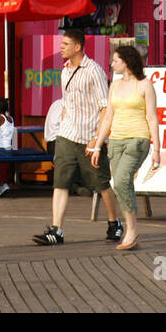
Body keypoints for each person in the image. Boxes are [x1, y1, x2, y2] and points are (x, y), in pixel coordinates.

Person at [32, 29, 121, 245]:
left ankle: (114, 223)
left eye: (65, 44)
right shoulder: (64, 71)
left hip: (89, 137)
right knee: (60, 182)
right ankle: (56, 230)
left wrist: (97, 138)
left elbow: (104, 108)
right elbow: (67, 102)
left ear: (78, 46)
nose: (61, 47)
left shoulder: (94, 71)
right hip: (67, 134)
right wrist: (62, 124)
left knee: (101, 183)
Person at [89, 46, 160, 251]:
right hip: (116, 141)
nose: (111, 64)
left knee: (121, 180)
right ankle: (132, 229)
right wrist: (97, 146)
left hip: (137, 140)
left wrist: (156, 148)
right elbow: (108, 117)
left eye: (115, 60)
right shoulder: (115, 85)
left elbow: (152, 117)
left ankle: (132, 228)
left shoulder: (145, 85)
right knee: (120, 183)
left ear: (127, 61)